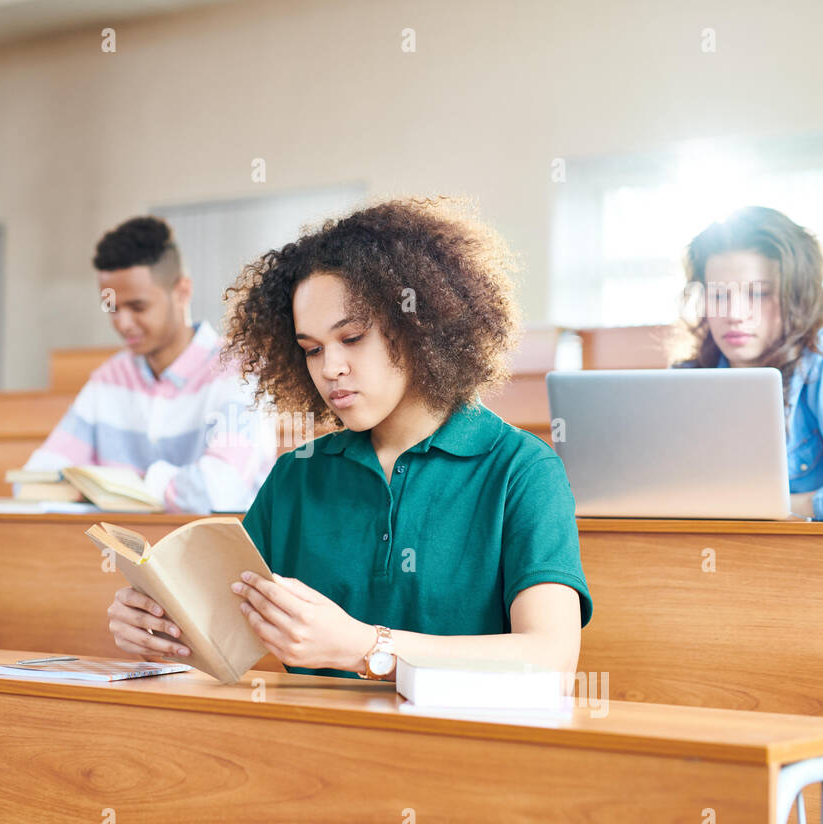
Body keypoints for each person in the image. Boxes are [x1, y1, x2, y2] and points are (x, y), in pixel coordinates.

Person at [106, 197, 591, 681]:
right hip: (310, 749)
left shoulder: (521, 470)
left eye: (352, 338)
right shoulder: (297, 475)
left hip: (463, 751)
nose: (329, 368)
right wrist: (160, 629)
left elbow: (551, 658)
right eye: (312, 349)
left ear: (419, 326)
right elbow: (223, 642)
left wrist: (365, 647)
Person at [22, 216, 277, 512]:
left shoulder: (238, 370)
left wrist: (130, 485)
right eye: (113, 309)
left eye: (137, 307)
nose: (122, 324)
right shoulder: (108, 379)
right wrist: (167, 489)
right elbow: (33, 479)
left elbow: (217, 491)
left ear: (182, 292)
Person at [672, 206, 823, 521]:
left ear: (796, 296)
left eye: (758, 294)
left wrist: (776, 507)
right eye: (718, 296)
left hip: (807, 561)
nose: (735, 313)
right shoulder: (688, 376)